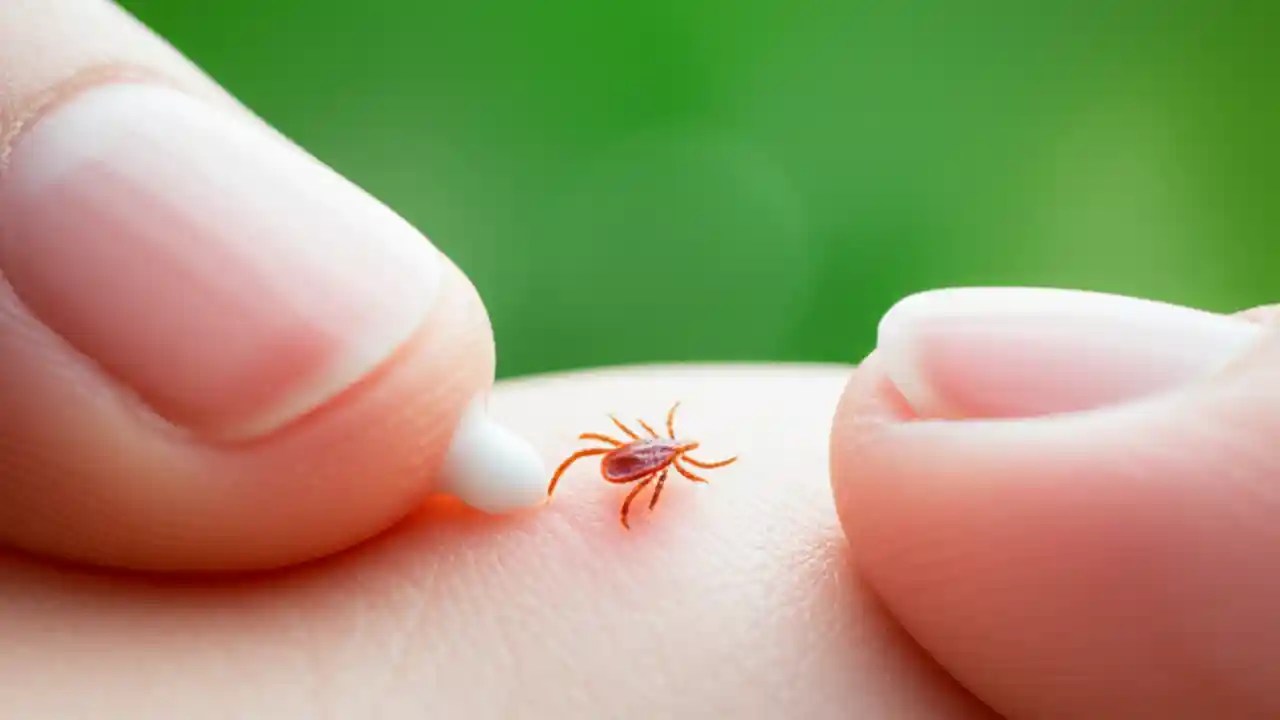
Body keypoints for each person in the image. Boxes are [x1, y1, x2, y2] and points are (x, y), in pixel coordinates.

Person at [0, 3, 1275, 718]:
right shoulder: (657, 468)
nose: (655, 463)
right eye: (652, 458)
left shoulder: (641, 466)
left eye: (655, 460)